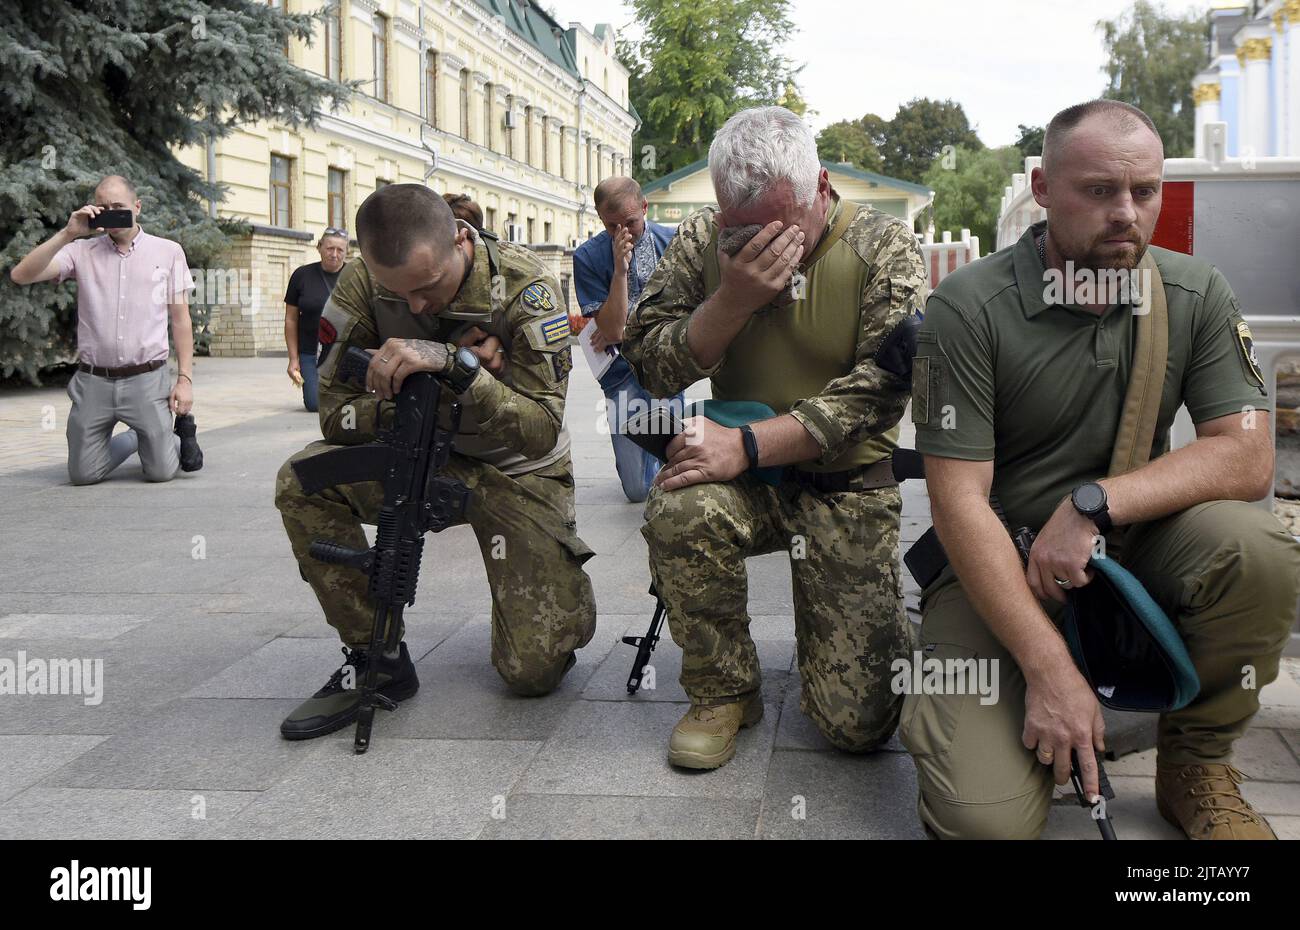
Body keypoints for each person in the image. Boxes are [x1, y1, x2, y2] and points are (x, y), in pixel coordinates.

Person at [904, 99, 1300, 840]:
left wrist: (1093, 504)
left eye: (1144, 191)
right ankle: (1033, 681)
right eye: (1099, 191)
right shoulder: (968, 307)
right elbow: (959, 502)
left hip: (1127, 551)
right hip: (998, 563)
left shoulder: (1193, 292)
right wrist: (1048, 670)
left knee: (1258, 549)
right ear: (1043, 188)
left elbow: (1248, 455)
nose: (1127, 213)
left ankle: (1196, 765)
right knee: (983, 823)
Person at [622, 107, 925, 769]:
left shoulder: (882, 245)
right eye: (739, 227)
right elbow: (648, 363)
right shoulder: (705, 240)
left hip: (845, 486)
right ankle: (723, 690)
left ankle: (886, 628)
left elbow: (882, 390)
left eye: (776, 226)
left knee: (857, 729)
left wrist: (750, 443)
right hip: (749, 484)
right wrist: (731, 300)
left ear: (820, 188)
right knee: (679, 507)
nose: (756, 243)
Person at [274, 184, 597, 740]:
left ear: (460, 237)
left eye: (428, 288)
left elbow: (540, 429)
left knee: (531, 672)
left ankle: (552, 597)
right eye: (399, 295)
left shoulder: (525, 288)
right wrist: (441, 391)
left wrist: (455, 365)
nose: (417, 307)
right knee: (301, 482)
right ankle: (378, 657)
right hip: (417, 457)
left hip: (515, 470)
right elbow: (335, 416)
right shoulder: (359, 282)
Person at [9, 174, 203, 483]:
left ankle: (167, 438)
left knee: (161, 472)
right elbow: (21, 275)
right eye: (103, 207)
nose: (110, 212)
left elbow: (180, 319)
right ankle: (136, 439)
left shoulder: (168, 251)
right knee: (83, 474)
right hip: (93, 381)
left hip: (147, 379)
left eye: (118, 206)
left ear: (136, 207)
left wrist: (184, 379)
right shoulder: (80, 251)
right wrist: (68, 233)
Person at [573, 177, 681, 502]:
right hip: (622, 376)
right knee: (636, 490)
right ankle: (641, 454)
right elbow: (614, 331)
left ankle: (661, 452)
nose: (623, 232)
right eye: (612, 225)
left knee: (676, 467)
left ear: (645, 207)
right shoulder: (588, 257)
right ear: (600, 219)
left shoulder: (674, 242)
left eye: (631, 222)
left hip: (666, 371)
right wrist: (619, 271)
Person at [284, 228, 348, 412]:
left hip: (345, 352)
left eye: (340, 250)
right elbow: (291, 320)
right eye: (329, 248)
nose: (334, 254)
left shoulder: (354, 276)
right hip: (310, 353)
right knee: (314, 404)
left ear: (346, 252)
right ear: (319, 247)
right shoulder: (301, 276)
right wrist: (293, 359)